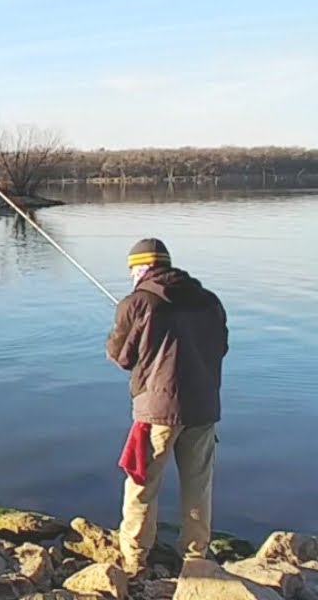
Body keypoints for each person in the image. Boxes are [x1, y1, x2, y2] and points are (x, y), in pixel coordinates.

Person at [105, 238, 228, 576]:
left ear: (141, 268)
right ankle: (196, 557)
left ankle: (134, 559)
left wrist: (122, 328)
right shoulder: (209, 300)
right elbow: (222, 347)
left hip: (156, 411)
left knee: (142, 484)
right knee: (198, 485)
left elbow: (121, 357)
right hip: (203, 408)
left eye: (133, 269)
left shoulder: (137, 303)